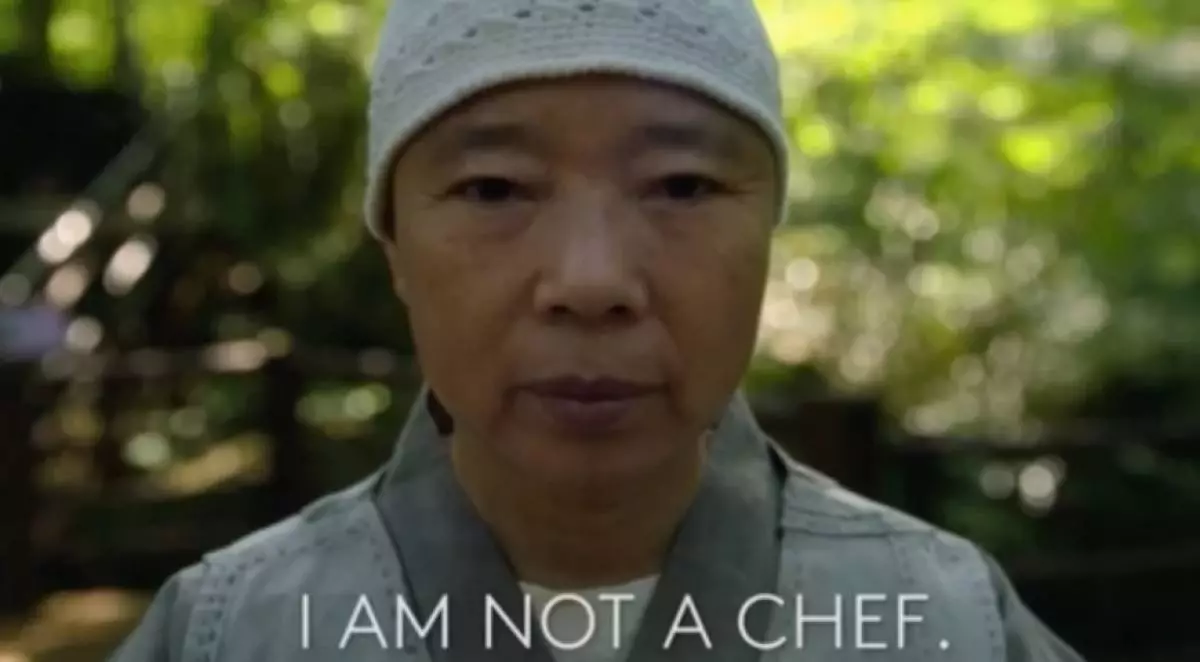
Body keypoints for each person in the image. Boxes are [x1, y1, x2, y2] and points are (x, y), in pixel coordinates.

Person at [109, 0, 1087, 660]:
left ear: (768, 233)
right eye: (493, 187)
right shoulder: (230, 632)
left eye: (681, 185)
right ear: (393, 242)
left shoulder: (947, 621)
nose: (591, 281)